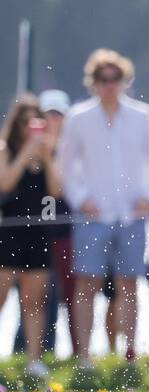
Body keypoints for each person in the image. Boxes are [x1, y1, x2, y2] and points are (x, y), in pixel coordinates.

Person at [59, 49, 149, 364]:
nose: (109, 85)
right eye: (102, 79)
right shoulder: (78, 117)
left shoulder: (143, 115)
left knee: (128, 283)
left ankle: (129, 354)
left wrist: (148, 196)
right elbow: (65, 167)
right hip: (93, 213)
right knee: (86, 284)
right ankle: (83, 356)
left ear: (125, 80)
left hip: (131, 213)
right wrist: (81, 199)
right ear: (92, 82)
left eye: (115, 78)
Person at [0, 94, 62, 377]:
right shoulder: (5, 149)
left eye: (36, 121)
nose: (31, 128)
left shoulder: (48, 151)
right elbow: (6, 182)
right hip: (8, 232)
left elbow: (57, 191)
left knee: (34, 301)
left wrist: (46, 156)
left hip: (37, 233)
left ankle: (34, 359)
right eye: (26, 122)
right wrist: (26, 151)